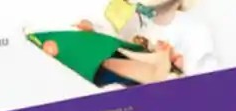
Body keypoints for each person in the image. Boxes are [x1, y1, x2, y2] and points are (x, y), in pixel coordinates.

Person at [78, 0, 218, 86]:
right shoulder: (134, 17)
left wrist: (177, 65)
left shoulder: (193, 29)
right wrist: (94, 28)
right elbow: (116, 37)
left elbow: (204, 76)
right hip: (133, 72)